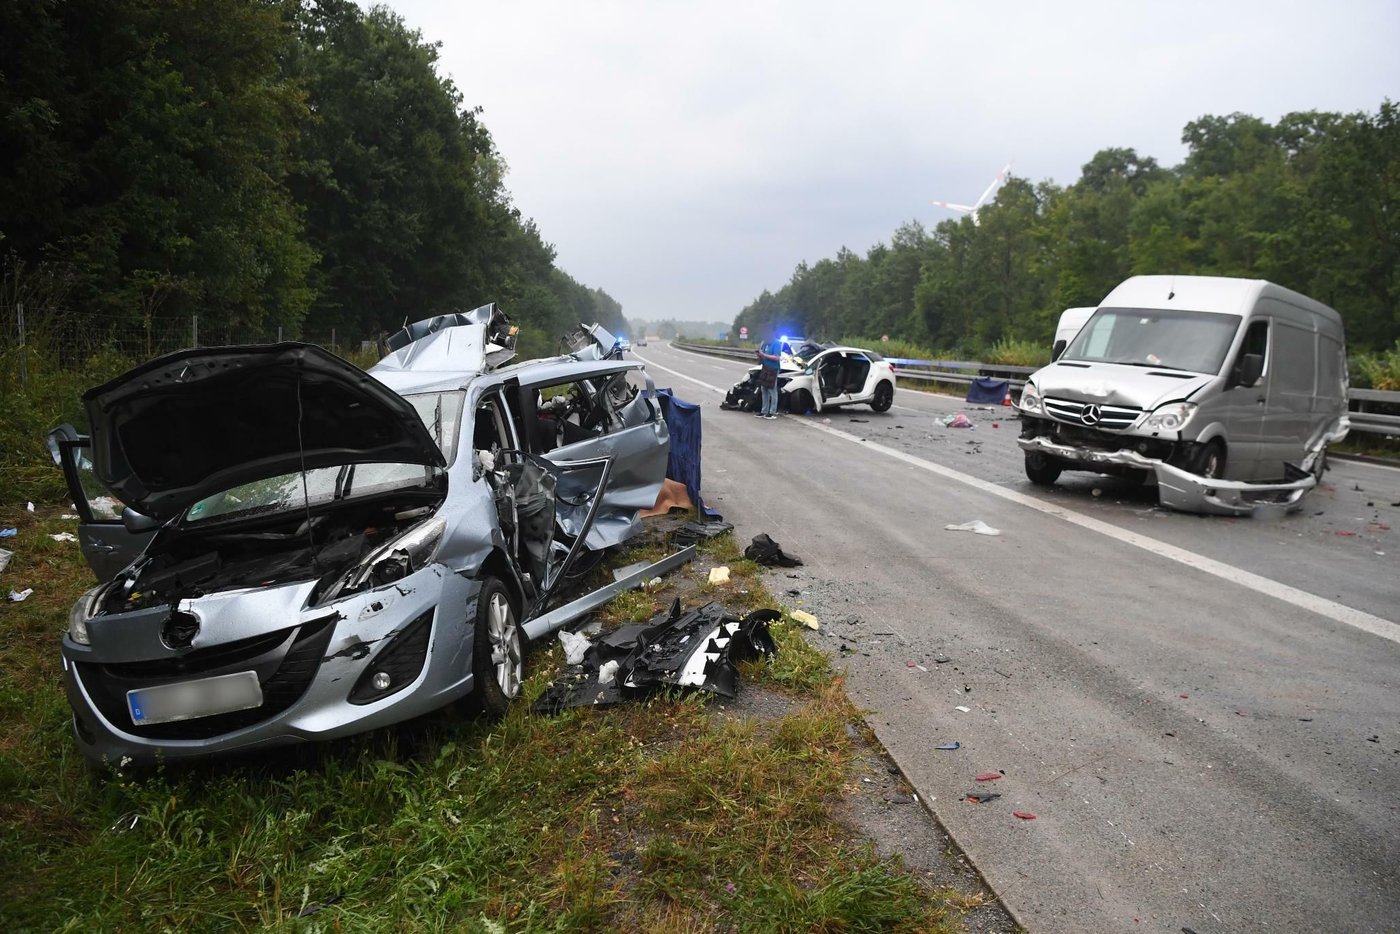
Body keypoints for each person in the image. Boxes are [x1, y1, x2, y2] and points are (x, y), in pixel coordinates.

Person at [756, 336, 783, 419]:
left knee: (772, 389)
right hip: (765, 368)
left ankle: (772, 412)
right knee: (763, 389)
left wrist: (764, 354)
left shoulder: (776, 343)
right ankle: (764, 411)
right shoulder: (765, 343)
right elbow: (763, 355)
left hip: (773, 369)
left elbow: (776, 357)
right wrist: (759, 355)